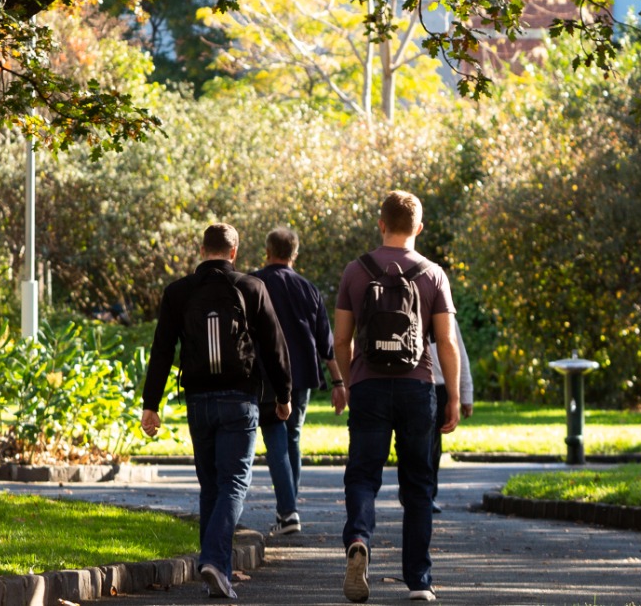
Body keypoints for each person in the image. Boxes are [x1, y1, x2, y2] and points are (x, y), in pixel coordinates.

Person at [141, 223, 294, 600]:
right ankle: (213, 560)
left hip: (198, 400)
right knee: (235, 483)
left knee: (211, 485)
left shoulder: (178, 292)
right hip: (240, 399)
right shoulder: (251, 287)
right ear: (234, 252)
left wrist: (151, 405)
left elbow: (162, 350)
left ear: (202, 249)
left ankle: (218, 572)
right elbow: (275, 345)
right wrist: (284, 395)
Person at [331, 191, 461, 604]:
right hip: (417, 386)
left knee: (363, 475)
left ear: (381, 224)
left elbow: (341, 340)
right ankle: (419, 581)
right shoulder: (433, 274)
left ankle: (358, 539)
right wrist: (453, 396)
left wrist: (350, 383)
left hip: (369, 385)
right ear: (419, 228)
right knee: (419, 485)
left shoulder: (356, 271)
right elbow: (446, 343)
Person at [250, 225, 331, 535]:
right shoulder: (308, 288)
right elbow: (325, 340)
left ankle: (288, 510)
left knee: (276, 440)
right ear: (295, 254)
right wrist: (338, 383)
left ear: (267, 251)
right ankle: (289, 508)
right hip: (302, 372)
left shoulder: (253, 282)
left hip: (267, 372)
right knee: (292, 435)